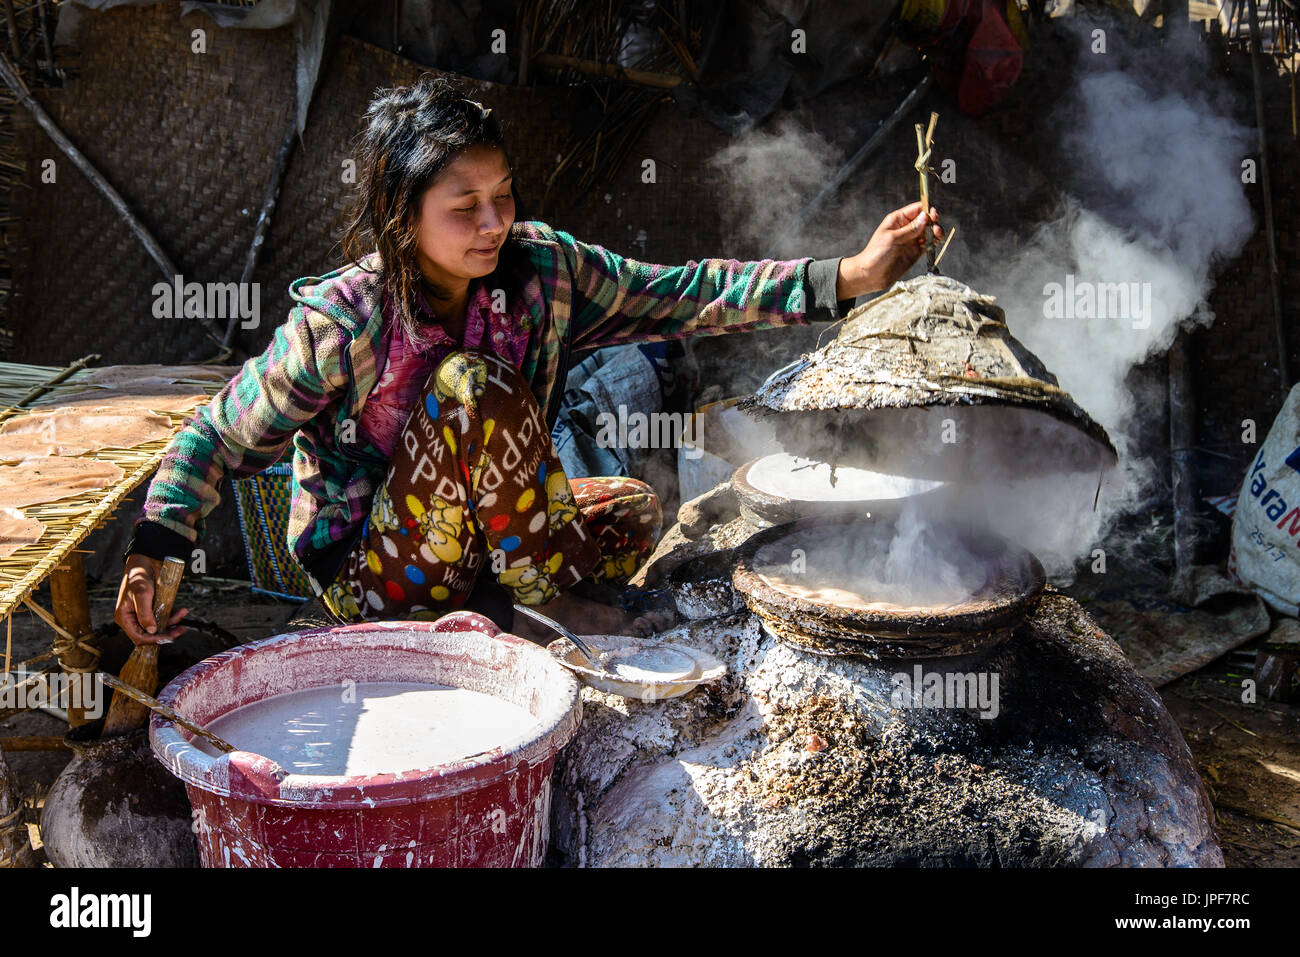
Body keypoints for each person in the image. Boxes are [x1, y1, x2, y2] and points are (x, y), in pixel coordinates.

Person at [114, 75, 942, 647]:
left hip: (477, 547)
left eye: (503, 195)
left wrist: (850, 276)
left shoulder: (545, 270)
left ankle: (501, 606)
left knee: (629, 508)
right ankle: (548, 612)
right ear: (402, 215)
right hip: (376, 568)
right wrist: (157, 548)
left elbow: (682, 291)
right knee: (467, 385)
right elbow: (216, 434)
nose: (492, 222)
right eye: (463, 206)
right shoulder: (347, 319)